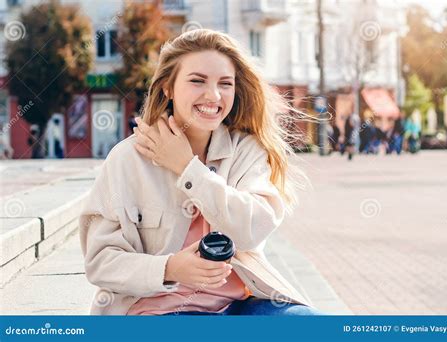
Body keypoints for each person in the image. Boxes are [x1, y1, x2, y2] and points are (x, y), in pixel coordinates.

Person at [79, 29, 320, 316]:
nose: (214, 95)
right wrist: (170, 268)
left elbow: (253, 230)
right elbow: (100, 262)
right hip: (155, 312)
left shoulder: (246, 150)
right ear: (168, 86)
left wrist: (187, 168)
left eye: (225, 83)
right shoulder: (128, 159)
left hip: (238, 307)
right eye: (197, 81)